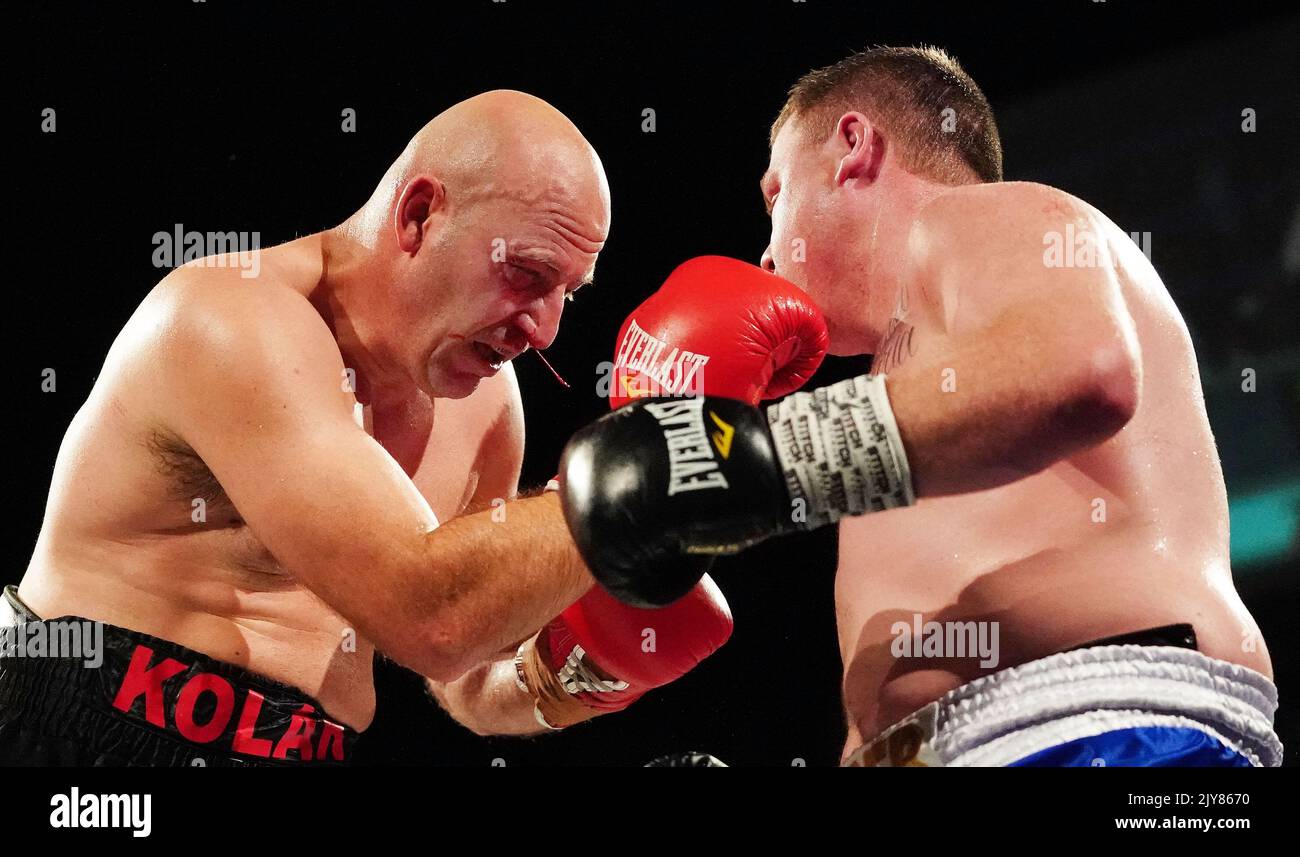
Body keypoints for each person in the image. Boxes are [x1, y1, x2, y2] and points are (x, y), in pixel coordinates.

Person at [560, 47, 1282, 766]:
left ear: (852, 146)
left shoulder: (980, 217)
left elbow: (1084, 369)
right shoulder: (909, 389)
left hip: (1109, 726)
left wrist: (752, 460)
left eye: (777, 196)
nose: (766, 259)